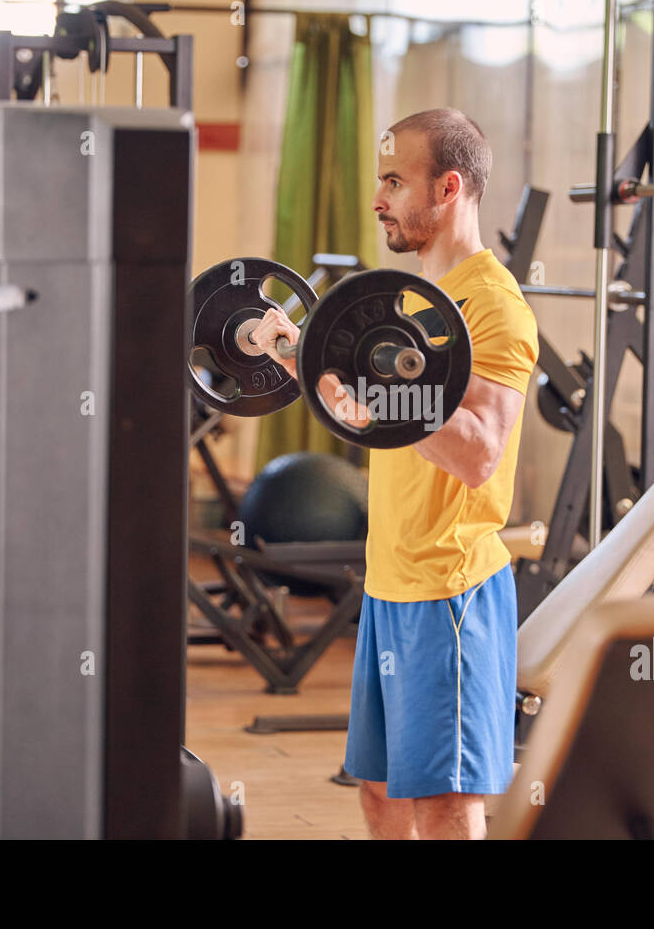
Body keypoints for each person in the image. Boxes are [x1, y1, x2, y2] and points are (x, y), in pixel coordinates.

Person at [250, 108, 538, 839]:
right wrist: (296, 354)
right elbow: (373, 408)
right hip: (390, 580)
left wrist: (378, 401)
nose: (378, 200)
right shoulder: (408, 303)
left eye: (392, 182)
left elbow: (477, 454)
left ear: (448, 188)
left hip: (450, 589)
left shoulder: (495, 307)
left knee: (444, 804)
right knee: (378, 792)